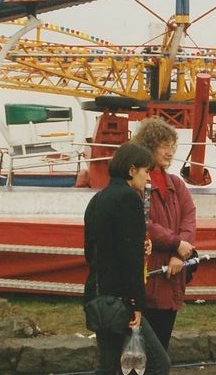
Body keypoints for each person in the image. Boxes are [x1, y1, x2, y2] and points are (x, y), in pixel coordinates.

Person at [82, 143, 171, 375]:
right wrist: (136, 305)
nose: (148, 177)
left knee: (108, 365)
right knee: (158, 363)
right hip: (120, 301)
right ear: (132, 170)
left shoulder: (97, 200)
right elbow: (130, 261)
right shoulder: (130, 200)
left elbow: (91, 251)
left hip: (97, 295)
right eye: (146, 170)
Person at [131, 117, 197, 351]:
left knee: (161, 344)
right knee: (143, 350)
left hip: (172, 276)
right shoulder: (138, 184)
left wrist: (180, 254)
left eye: (172, 146)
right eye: (164, 146)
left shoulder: (176, 184)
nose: (170, 152)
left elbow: (189, 217)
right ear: (149, 146)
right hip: (150, 276)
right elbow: (142, 221)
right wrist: (177, 243)